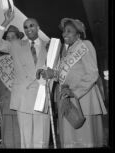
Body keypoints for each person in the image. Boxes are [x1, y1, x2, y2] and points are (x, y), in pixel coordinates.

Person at [38, 18, 107, 148]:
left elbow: (92, 73)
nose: (65, 34)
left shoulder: (85, 45)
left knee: (84, 138)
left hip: (84, 98)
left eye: (69, 31)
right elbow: (65, 75)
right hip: (67, 99)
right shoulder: (68, 51)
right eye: (64, 31)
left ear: (78, 34)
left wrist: (74, 92)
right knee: (70, 138)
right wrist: (52, 74)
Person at [0, 9, 50, 148]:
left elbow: (56, 71)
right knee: (26, 138)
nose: (29, 29)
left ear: (38, 27)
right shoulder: (16, 44)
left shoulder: (49, 46)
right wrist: (6, 21)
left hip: (42, 96)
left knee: (41, 139)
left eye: (32, 25)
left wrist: (52, 74)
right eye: (26, 26)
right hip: (23, 97)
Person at [0, 25, 24, 148]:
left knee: (22, 136)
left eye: (13, 37)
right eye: (8, 38)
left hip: (22, 103)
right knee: (7, 136)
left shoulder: (25, 57)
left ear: (18, 39)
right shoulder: (0, 61)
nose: (10, 40)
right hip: (6, 103)